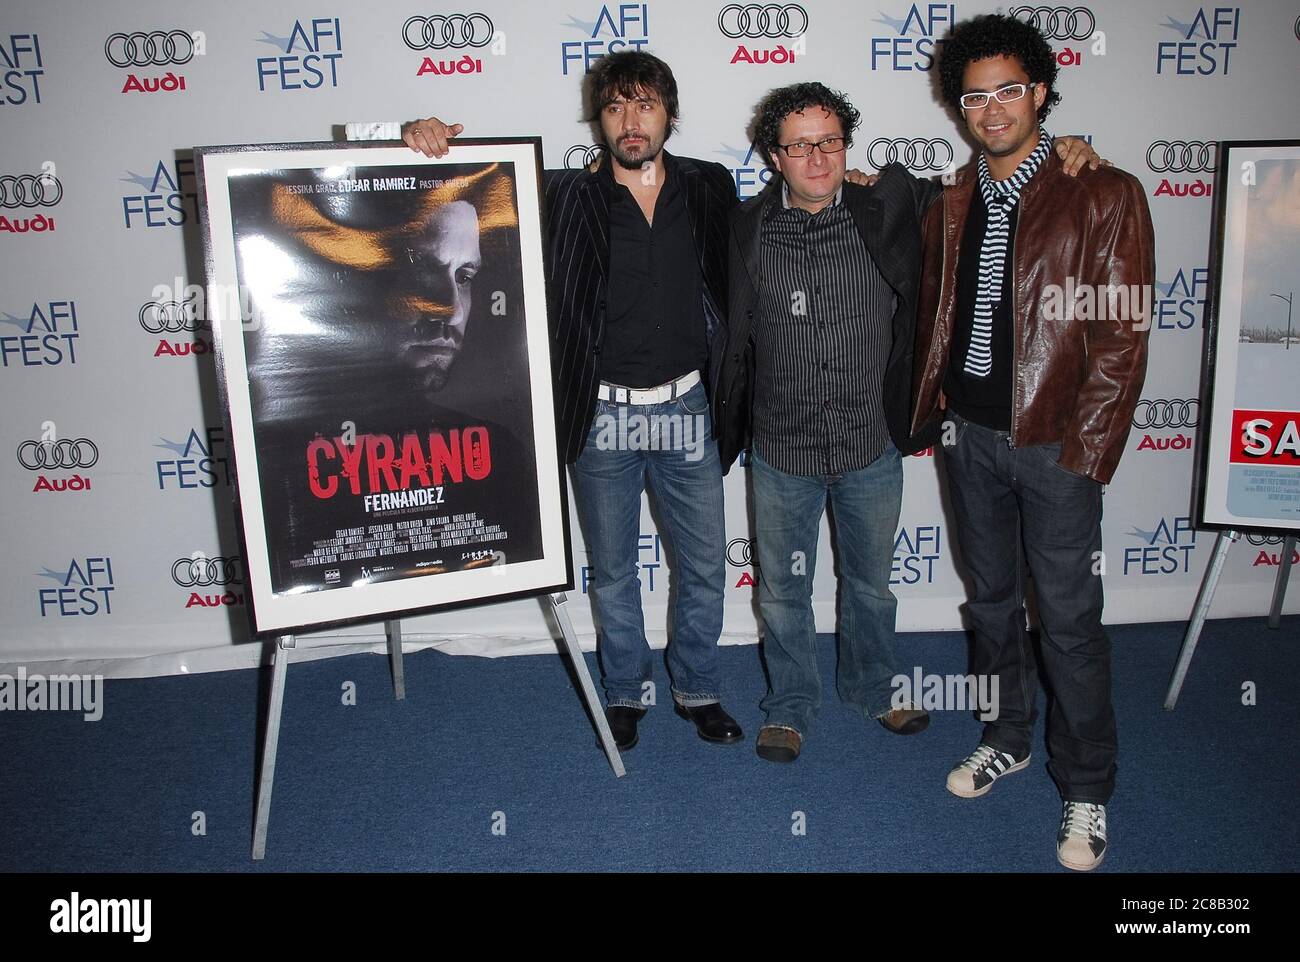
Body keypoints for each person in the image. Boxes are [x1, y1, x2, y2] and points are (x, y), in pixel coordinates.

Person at [713, 82, 1102, 764]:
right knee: (782, 593)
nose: (818, 158)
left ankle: (872, 687)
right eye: (800, 145)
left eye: (830, 141)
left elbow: (987, 190)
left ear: (846, 145)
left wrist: (1068, 149)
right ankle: (790, 705)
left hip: (870, 443)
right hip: (780, 447)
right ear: (774, 157)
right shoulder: (744, 229)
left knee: (870, 584)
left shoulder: (891, 204)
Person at [404, 51, 744, 751]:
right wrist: (418, 135)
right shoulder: (563, 196)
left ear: (670, 114)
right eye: (617, 106)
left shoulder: (710, 186)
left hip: (689, 412)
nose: (631, 120)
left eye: (645, 104)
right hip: (604, 417)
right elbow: (463, 190)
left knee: (705, 565)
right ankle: (624, 692)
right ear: (599, 119)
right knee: (615, 569)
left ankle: (699, 687)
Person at [911, 13, 1154, 870]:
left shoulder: (1103, 192)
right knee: (988, 606)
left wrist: (1085, 456)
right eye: (974, 95)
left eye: (1008, 89)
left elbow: (1122, 339)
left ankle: (1086, 787)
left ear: (1041, 91)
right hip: (967, 437)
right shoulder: (954, 197)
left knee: (1072, 622)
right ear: (959, 107)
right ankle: (1004, 734)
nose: (991, 108)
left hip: (1055, 446)